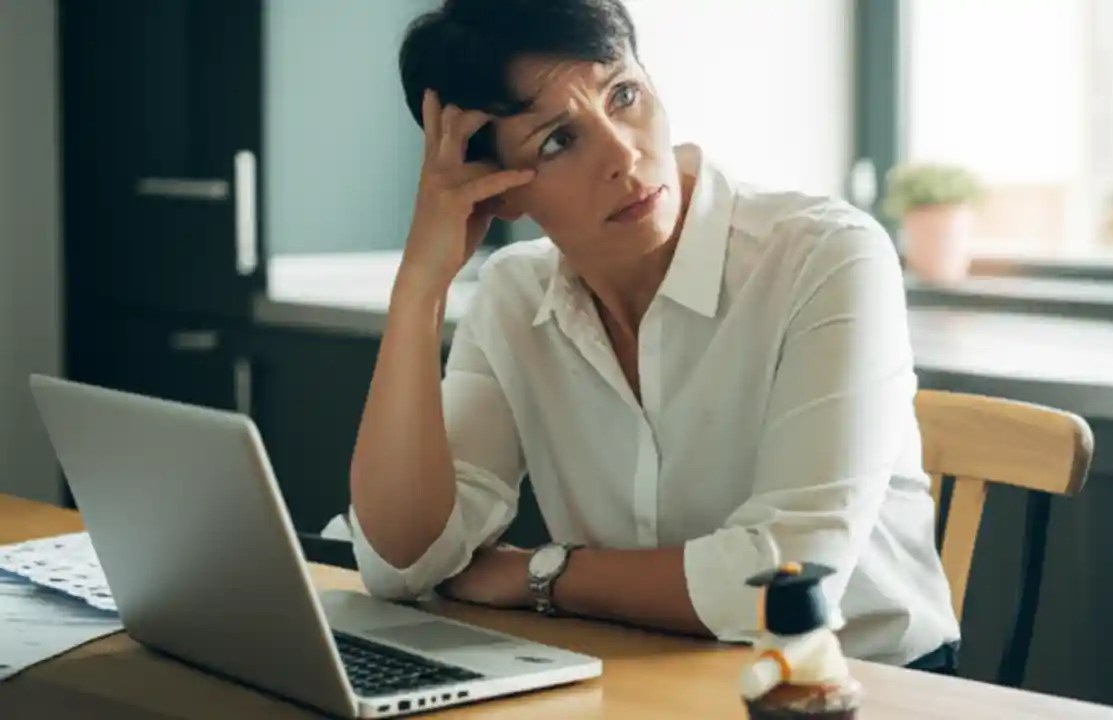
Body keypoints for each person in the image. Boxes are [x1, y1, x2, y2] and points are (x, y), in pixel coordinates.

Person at [348, 0, 961, 673]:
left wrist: (537, 574)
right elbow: (403, 561)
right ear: (497, 192)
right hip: (650, 671)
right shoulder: (513, 296)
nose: (623, 152)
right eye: (557, 140)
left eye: (625, 95)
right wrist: (421, 287)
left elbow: (787, 579)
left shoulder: (828, 256)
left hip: (861, 686)